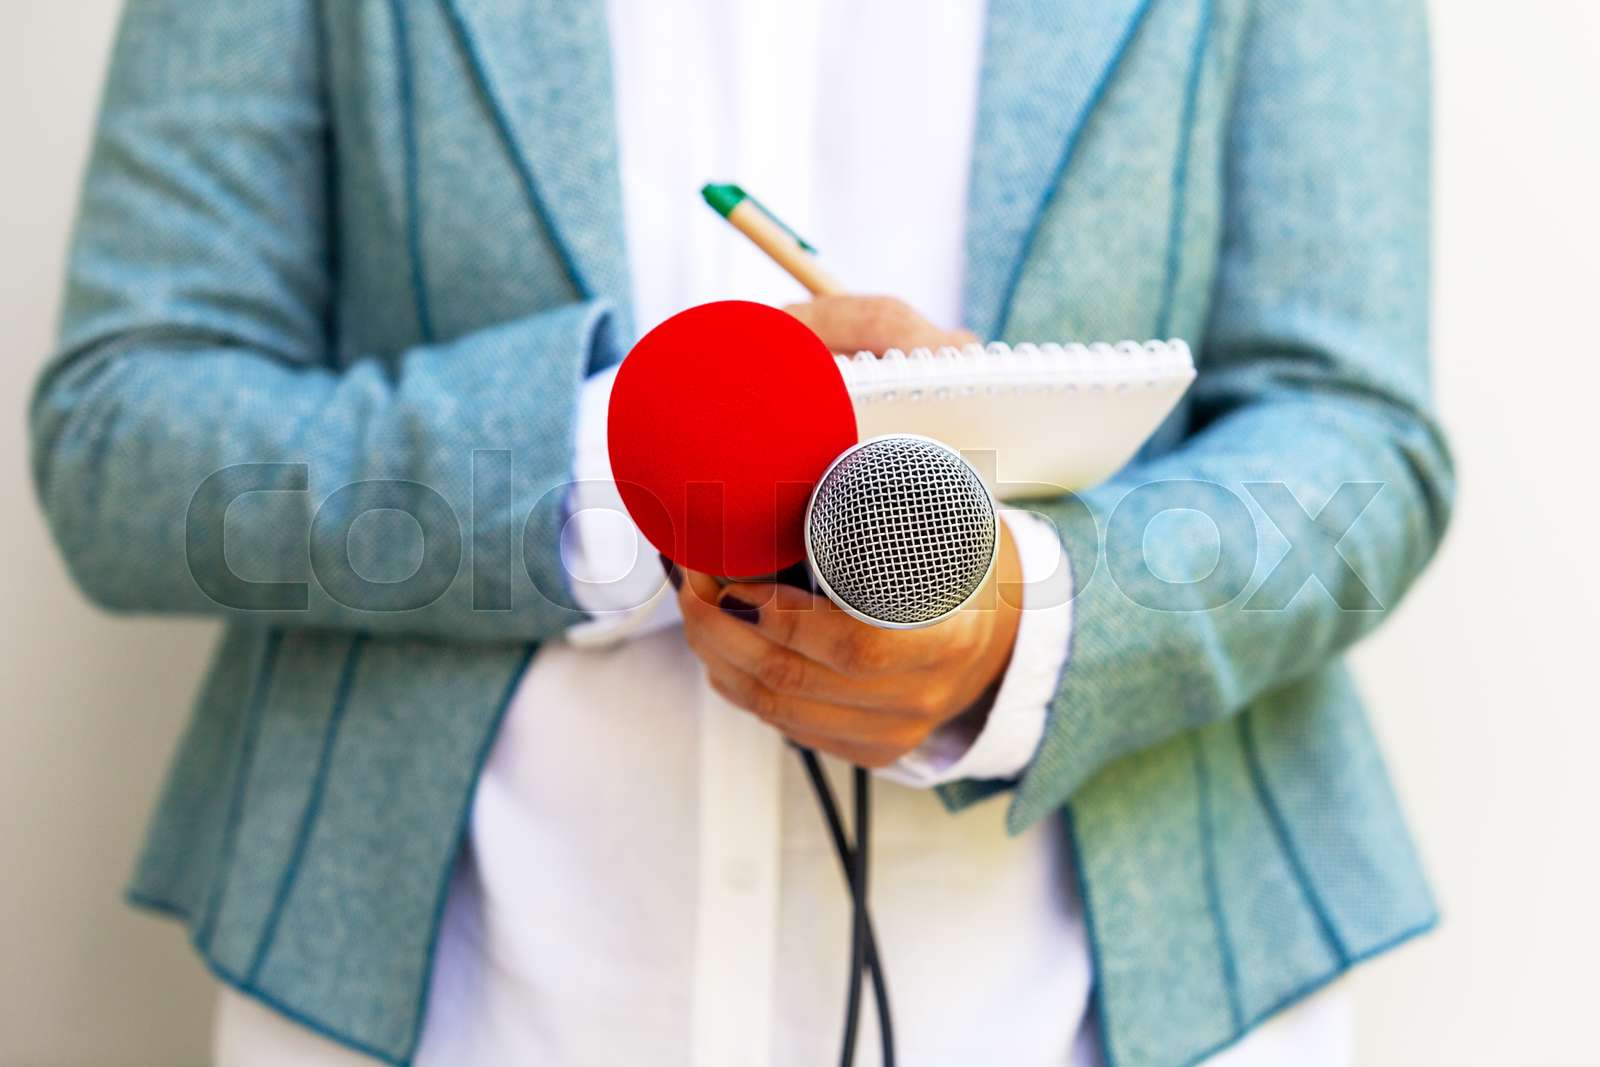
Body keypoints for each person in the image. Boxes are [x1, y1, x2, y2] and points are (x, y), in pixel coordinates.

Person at [30, 0, 1453, 1064]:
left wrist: (1029, 617)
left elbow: (1354, 433)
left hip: (1098, 996)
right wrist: (661, 451)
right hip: (455, 991)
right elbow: (123, 441)